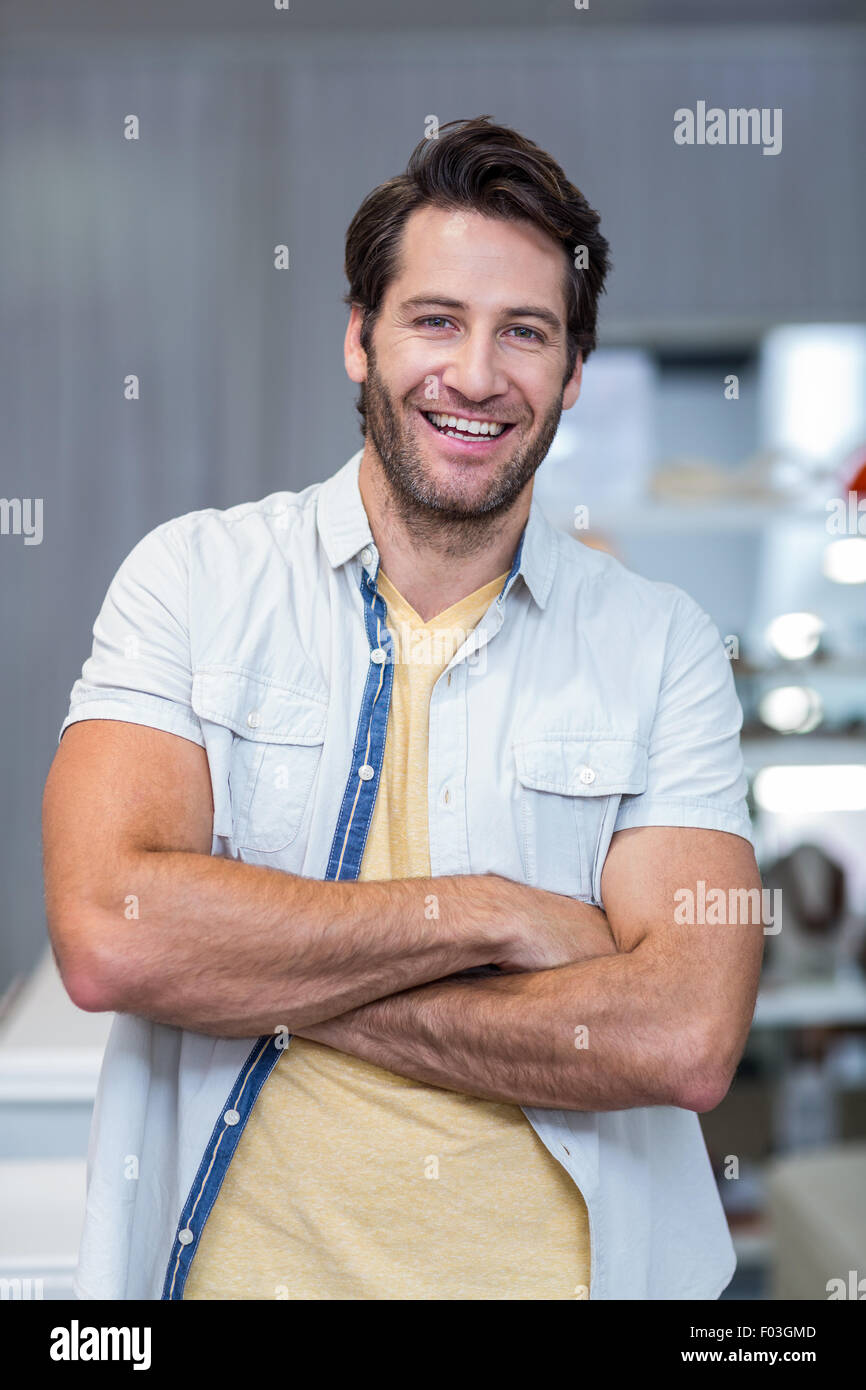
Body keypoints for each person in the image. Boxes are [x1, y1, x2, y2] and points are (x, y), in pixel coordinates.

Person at [42, 116, 763, 1301]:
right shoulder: (192, 579)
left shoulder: (662, 645)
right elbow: (115, 932)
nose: (474, 375)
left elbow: (682, 1034)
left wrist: (254, 977)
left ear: (571, 375)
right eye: (435, 319)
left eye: (523, 333)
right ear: (358, 340)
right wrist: (490, 915)